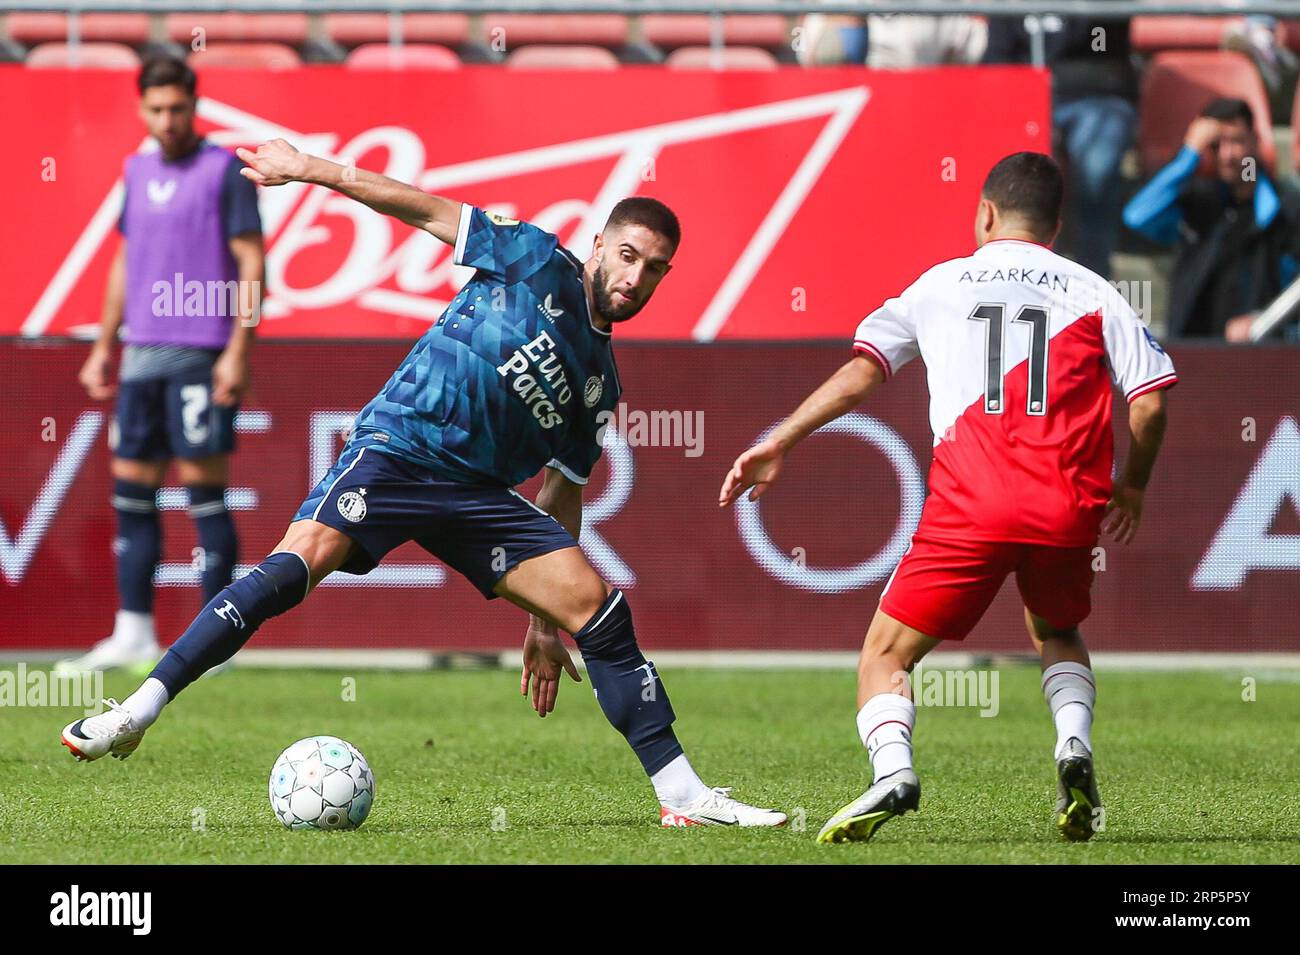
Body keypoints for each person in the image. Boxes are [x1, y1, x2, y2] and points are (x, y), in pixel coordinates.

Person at [61, 138, 786, 829]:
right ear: (598, 244)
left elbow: (562, 493)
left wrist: (543, 621)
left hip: (477, 498)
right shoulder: (532, 257)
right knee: (296, 563)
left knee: (598, 611)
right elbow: (420, 206)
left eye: (653, 269)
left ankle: (683, 794)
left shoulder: (599, 383)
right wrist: (312, 169)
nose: (633, 278)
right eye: (627, 255)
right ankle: (139, 708)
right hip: (401, 448)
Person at [721, 152, 1175, 843]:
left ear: (986, 213)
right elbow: (1148, 405)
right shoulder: (1097, 292)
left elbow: (864, 371)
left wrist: (783, 437)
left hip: (971, 509)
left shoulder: (938, 284)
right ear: (1055, 226)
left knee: (886, 655)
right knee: (1056, 630)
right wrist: (1133, 484)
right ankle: (1072, 746)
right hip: (1065, 507)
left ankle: (893, 772)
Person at [61, 56, 264, 673]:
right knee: (132, 493)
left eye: (178, 108)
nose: (168, 120)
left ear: (193, 106)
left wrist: (238, 348)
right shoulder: (136, 168)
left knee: (204, 492)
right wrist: (104, 344)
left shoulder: (224, 170)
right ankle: (134, 631)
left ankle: (216, 640)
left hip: (199, 352)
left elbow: (251, 262)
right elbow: (126, 260)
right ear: (140, 108)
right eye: (156, 109)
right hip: (141, 355)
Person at [1123, 97, 1300, 341]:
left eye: (1237, 141)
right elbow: (1137, 216)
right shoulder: (1197, 204)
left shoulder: (1285, 210)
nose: (1228, 155)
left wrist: (1264, 322)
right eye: (1216, 144)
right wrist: (1190, 153)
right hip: (1196, 355)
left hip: (1261, 356)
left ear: (1255, 142)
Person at [983, 9, 1138, 278]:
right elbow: (996, 58)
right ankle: (1029, 273)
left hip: (1098, 94)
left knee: (1096, 169)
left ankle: (1093, 277)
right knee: (1028, 168)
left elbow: (1100, 34)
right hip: (1024, 96)